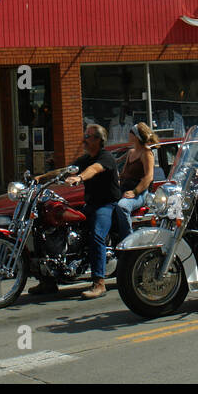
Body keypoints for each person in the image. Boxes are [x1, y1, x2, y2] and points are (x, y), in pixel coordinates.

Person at [65, 123, 120, 299]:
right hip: (89, 205)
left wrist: (79, 178)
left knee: (97, 235)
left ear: (99, 140)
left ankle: (99, 283)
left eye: (88, 136)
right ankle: (49, 279)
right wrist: (41, 178)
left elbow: (94, 169)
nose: (84, 140)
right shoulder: (85, 159)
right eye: (85, 136)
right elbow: (66, 170)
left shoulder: (106, 158)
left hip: (106, 205)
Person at [115, 122, 157, 238]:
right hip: (124, 188)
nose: (128, 134)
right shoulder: (131, 152)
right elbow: (123, 173)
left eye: (131, 132)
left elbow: (149, 177)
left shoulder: (146, 153)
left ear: (136, 136)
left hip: (140, 193)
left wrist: (135, 192)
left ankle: (128, 240)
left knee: (122, 207)